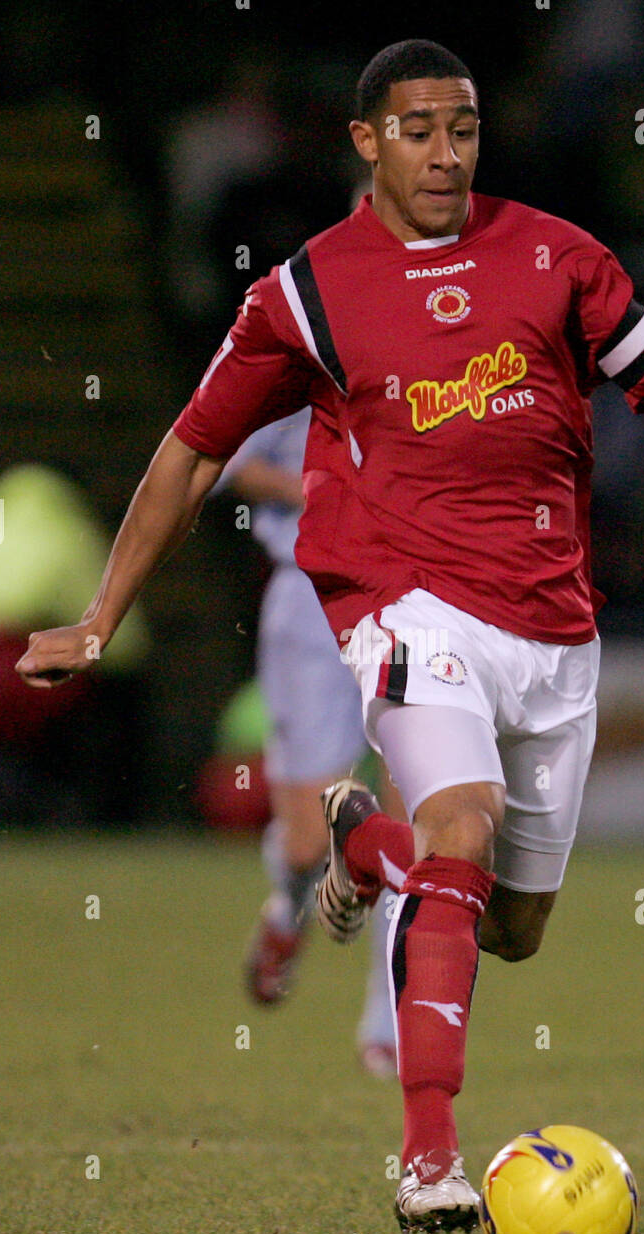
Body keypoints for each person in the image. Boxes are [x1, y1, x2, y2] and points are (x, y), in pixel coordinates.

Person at [17, 39, 644, 1234]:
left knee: (511, 929)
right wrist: (102, 616)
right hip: (406, 606)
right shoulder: (305, 292)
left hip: (552, 627)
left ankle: (365, 849)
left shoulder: (558, 256)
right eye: (417, 131)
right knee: (462, 829)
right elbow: (194, 450)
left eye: (462, 129)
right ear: (366, 142)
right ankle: (426, 1159)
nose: (445, 154)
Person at [215, 406, 398, 1076]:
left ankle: (389, 1021)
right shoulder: (291, 352)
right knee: (311, 842)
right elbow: (229, 463)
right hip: (311, 599)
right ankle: (288, 908)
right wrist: (328, 491)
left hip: (416, 596)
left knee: (414, 826)